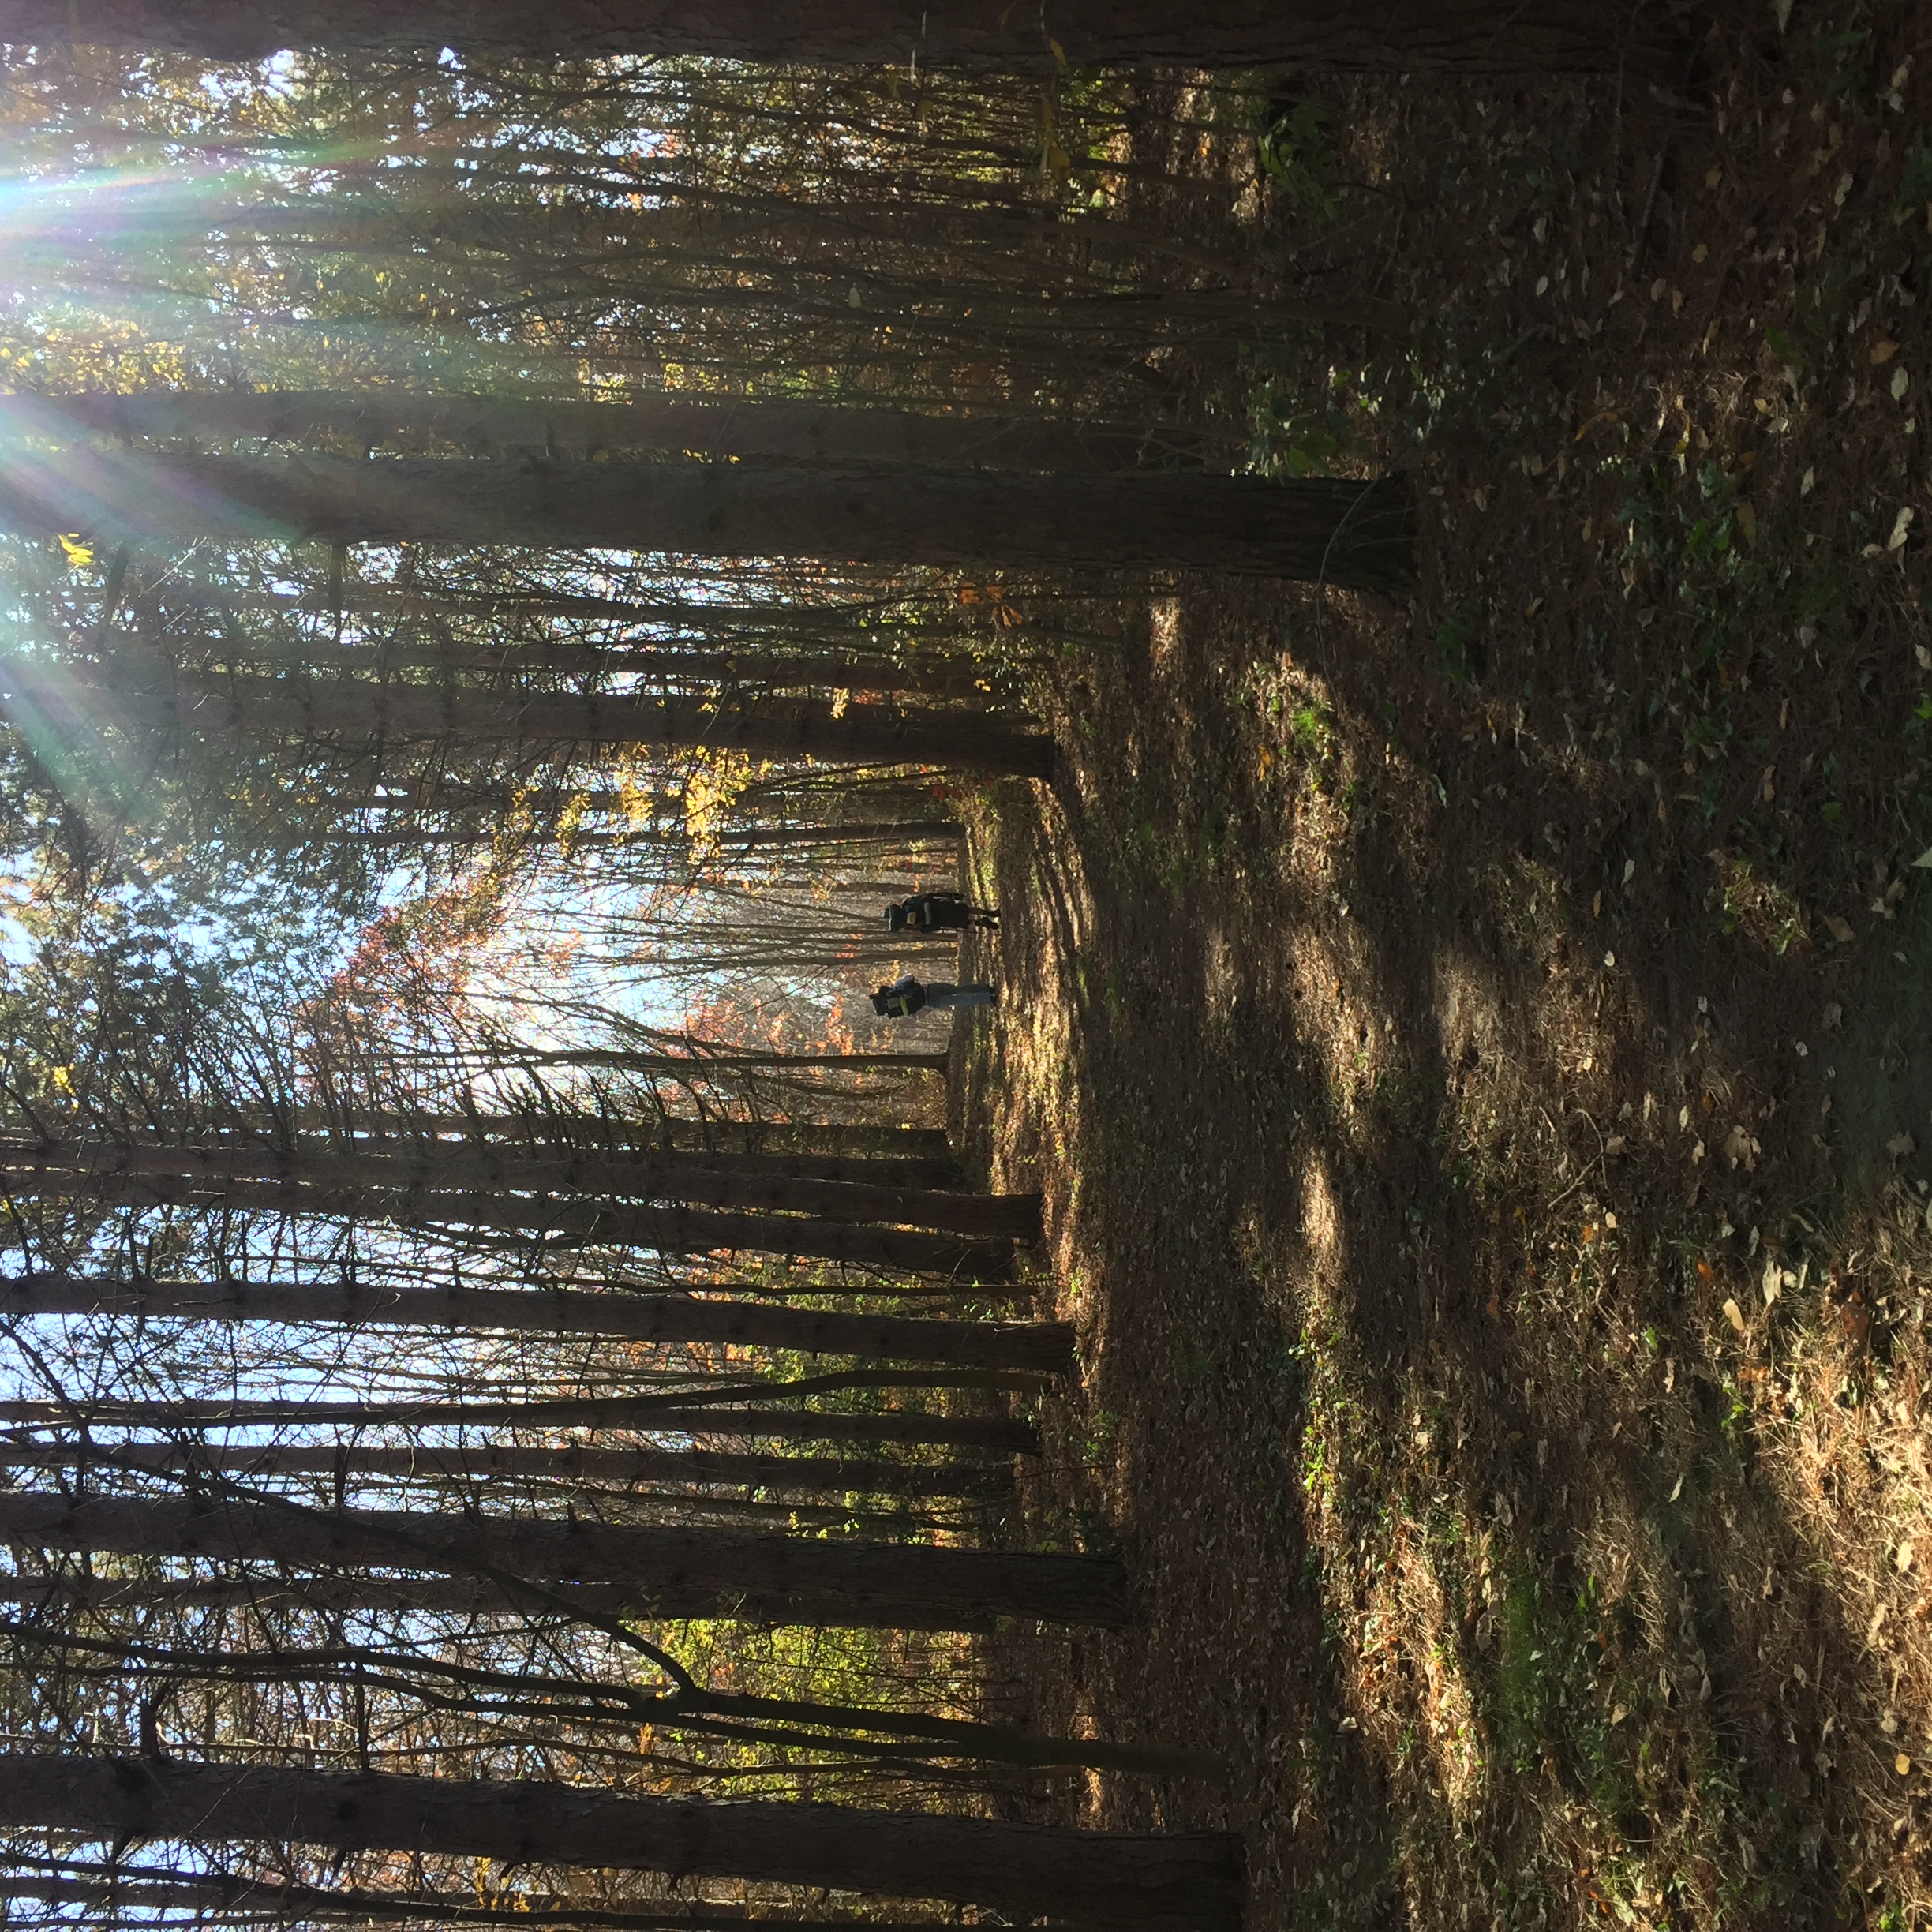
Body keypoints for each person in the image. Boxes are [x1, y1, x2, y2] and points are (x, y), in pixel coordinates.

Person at [871, 974, 997, 1017]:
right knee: (959, 989)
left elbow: (913, 1015)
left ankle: (989, 999)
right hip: (931, 988)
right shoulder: (897, 987)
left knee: (960, 1000)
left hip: (931, 1002)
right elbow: (910, 977)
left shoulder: (897, 1010)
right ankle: (987, 989)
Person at [884, 890, 999, 934]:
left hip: (939, 920)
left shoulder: (905, 924)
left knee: (962, 922)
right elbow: (927, 896)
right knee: (965, 910)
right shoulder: (908, 904)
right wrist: (949, 895)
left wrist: (931, 928)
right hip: (940, 907)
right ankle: (990, 913)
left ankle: (981, 922)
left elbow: (921, 929)